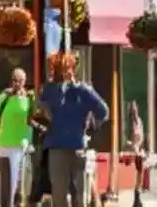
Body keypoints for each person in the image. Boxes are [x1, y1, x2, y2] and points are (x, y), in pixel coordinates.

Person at [38, 51, 108, 207]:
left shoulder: (80, 91)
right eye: (58, 70)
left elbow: (103, 111)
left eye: (65, 69)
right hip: (62, 146)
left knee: (73, 196)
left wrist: (90, 125)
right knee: (67, 195)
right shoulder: (52, 90)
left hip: (72, 147)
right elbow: (41, 107)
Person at [0, 68, 34, 207]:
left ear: (25, 81)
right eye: (15, 80)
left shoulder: (28, 99)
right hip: (3, 144)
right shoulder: (2, 98)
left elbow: (30, 120)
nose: (17, 84)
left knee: (17, 183)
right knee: (4, 182)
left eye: (20, 81)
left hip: (20, 146)